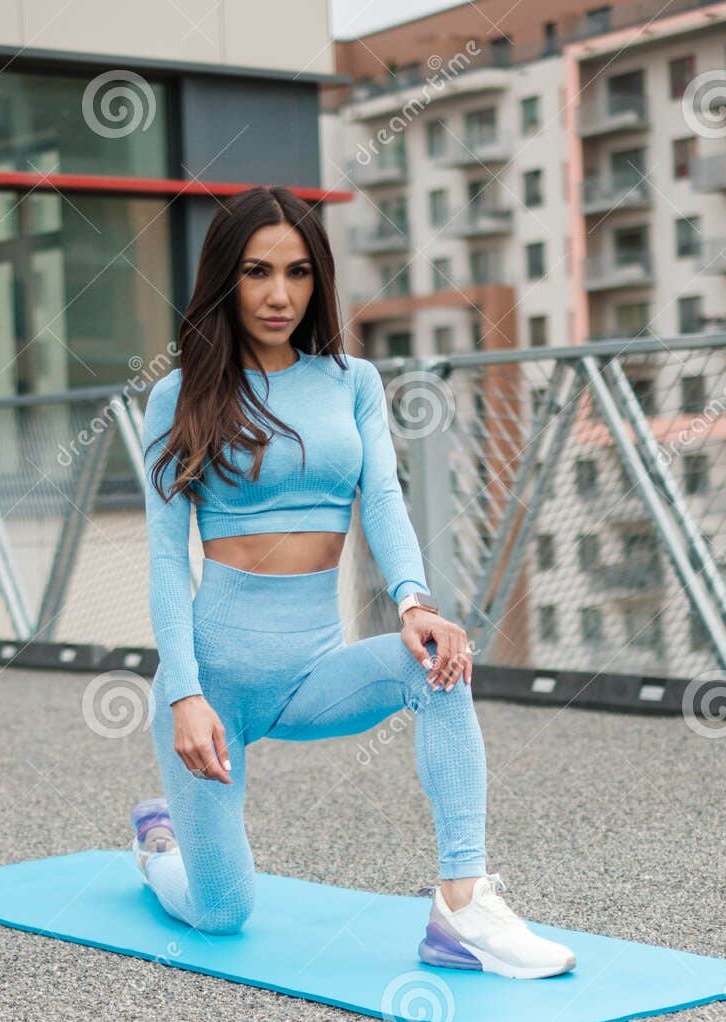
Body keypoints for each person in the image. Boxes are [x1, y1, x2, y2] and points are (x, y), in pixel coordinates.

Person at [131, 185, 575, 980]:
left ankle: (461, 906)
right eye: (257, 272)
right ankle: (159, 845)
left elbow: (381, 500)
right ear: (224, 280)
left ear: (318, 279)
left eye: (298, 273)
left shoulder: (352, 381)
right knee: (222, 913)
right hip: (213, 688)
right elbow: (166, 557)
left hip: (309, 675)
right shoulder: (179, 396)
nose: (279, 295)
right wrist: (183, 696)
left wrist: (415, 603)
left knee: (438, 663)